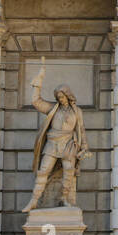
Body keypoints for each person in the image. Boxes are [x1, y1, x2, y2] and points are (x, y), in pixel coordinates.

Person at [20, 60, 91, 213]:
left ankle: (64, 199)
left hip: (69, 144)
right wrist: (37, 83)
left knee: (68, 171)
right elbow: (36, 102)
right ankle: (33, 201)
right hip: (52, 143)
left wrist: (84, 146)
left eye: (63, 96)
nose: (61, 99)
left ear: (68, 95)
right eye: (58, 97)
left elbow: (81, 129)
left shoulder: (77, 111)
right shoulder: (53, 108)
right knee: (43, 170)